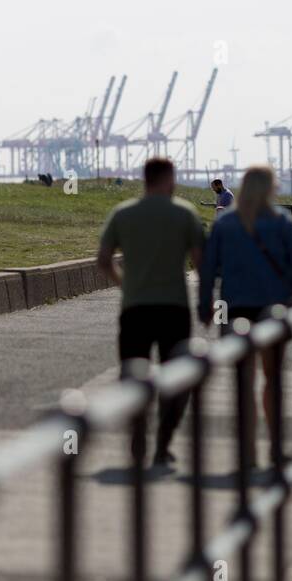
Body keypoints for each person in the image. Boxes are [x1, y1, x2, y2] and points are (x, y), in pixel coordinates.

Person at [198, 165, 292, 469]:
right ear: (271, 189)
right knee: (273, 379)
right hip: (275, 310)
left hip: (235, 309)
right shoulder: (282, 223)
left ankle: (247, 453)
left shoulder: (225, 223)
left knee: (243, 381)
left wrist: (204, 305)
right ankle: (275, 447)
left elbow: (208, 268)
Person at [97, 157, 206, 465]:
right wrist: (207, 300)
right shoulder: (185, 213)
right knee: (178, 376)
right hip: (174, 308)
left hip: (135, 308)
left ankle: (137, 437)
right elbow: (201, 262)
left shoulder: (123, 213)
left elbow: (103, 259)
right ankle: (163, 443)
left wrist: (125, 284)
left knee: (133, 374)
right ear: (167, 179)